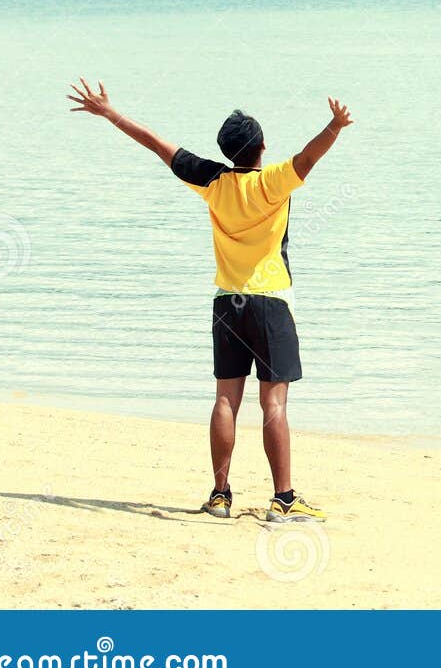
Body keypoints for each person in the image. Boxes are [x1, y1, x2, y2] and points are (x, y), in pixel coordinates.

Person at [66, 78, 351, 523]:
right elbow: (309, 157)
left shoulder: (212, 181)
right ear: (262, 147)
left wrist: (109, 112)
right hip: (271, 302)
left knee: (225, 401)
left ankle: (220, 495)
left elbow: (158, 145)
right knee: (273, 404)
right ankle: (284, 498)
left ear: (228, 152)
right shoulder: (274, 182)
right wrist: (334, 126)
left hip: (227, 305)